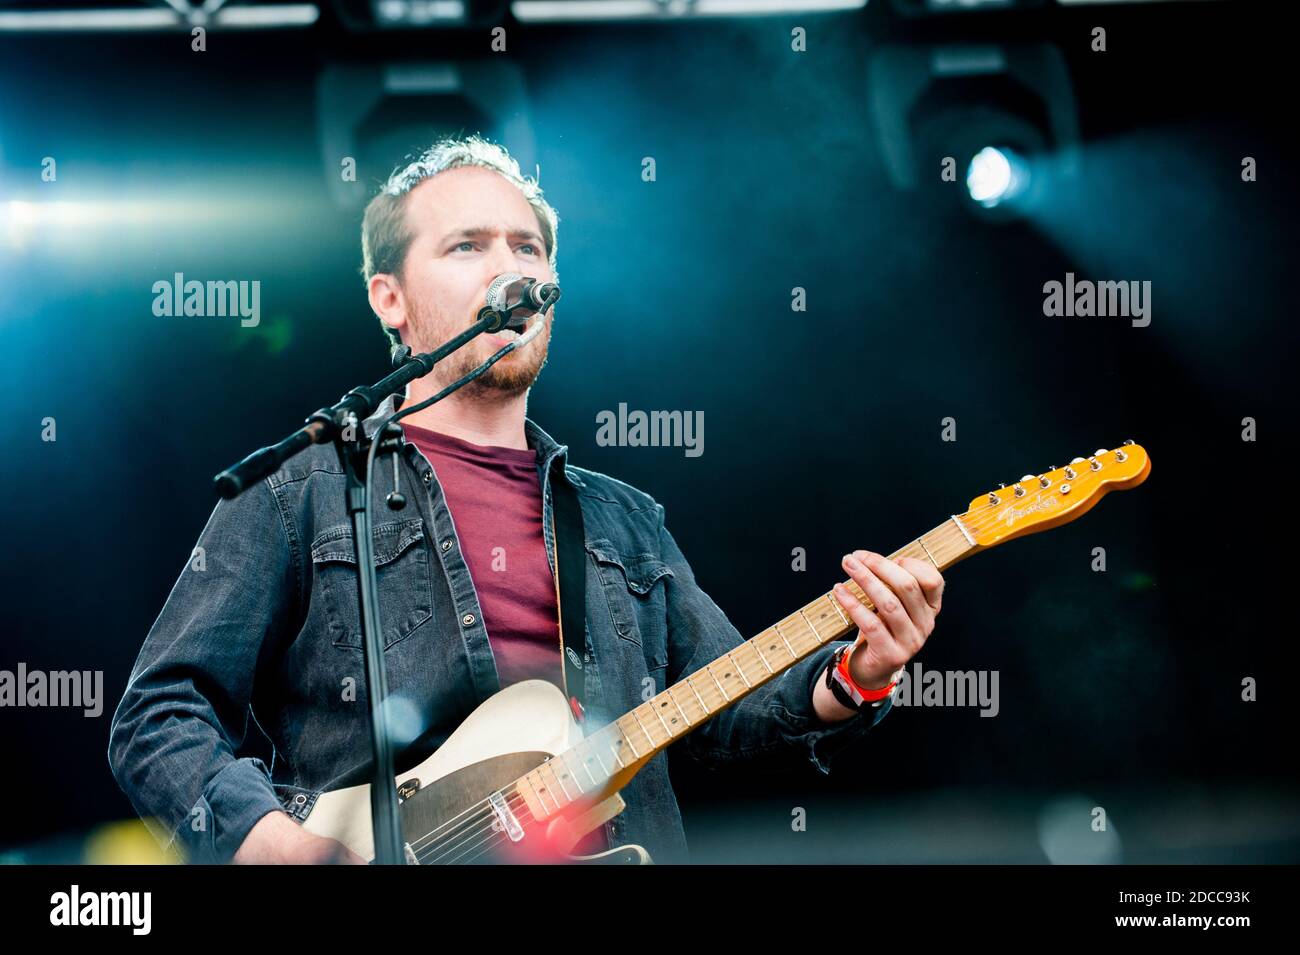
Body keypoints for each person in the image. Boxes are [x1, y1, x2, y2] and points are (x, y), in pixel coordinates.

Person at [108, 135, 944, 865]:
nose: (511, 268)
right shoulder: (305, 487)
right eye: (468, 246)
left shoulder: (627, 523)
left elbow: (734, 709)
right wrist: (263, 838)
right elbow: (159, 711)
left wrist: (859, 673)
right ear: (388, 298)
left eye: (529, 248)